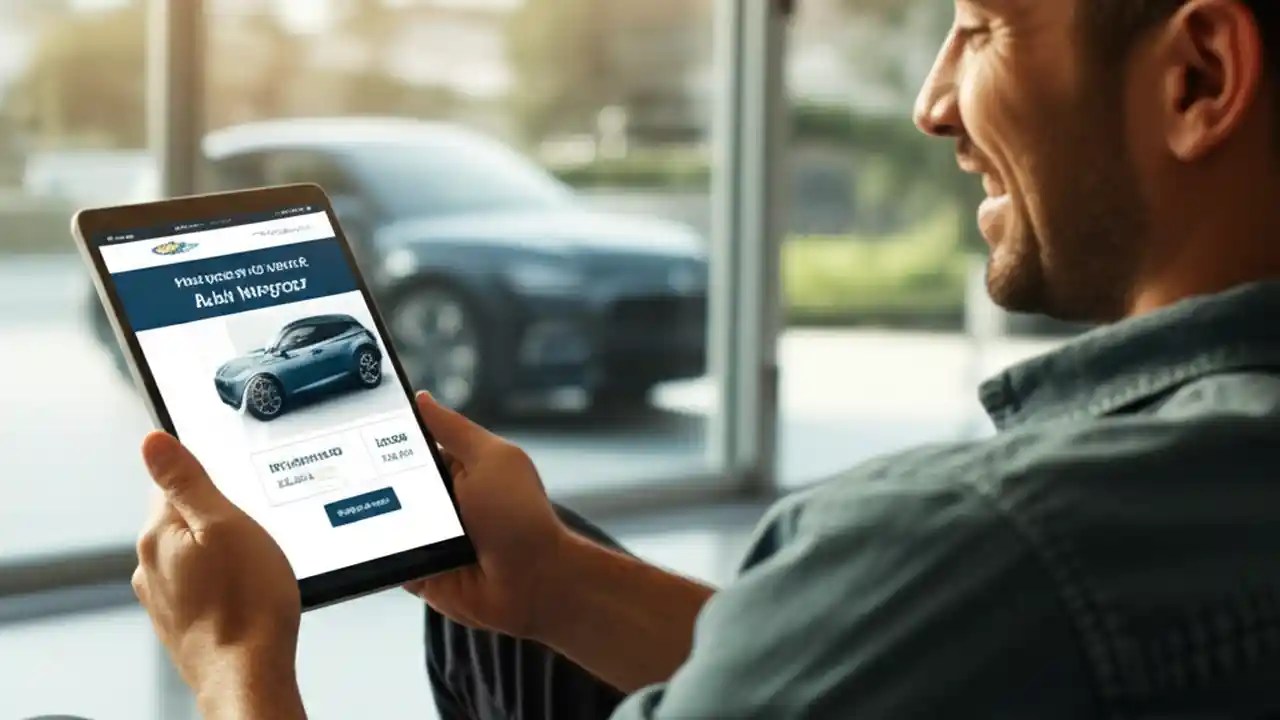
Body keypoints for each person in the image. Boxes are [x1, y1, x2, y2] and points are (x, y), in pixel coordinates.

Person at [130, 0, 1280, 717]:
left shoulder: (989, 542)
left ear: (1199, 79)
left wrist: (236, 667)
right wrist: (556, 588)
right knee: (527, 574)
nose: (931, 102)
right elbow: (895, 669)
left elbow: (942, 614)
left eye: (979, 28)